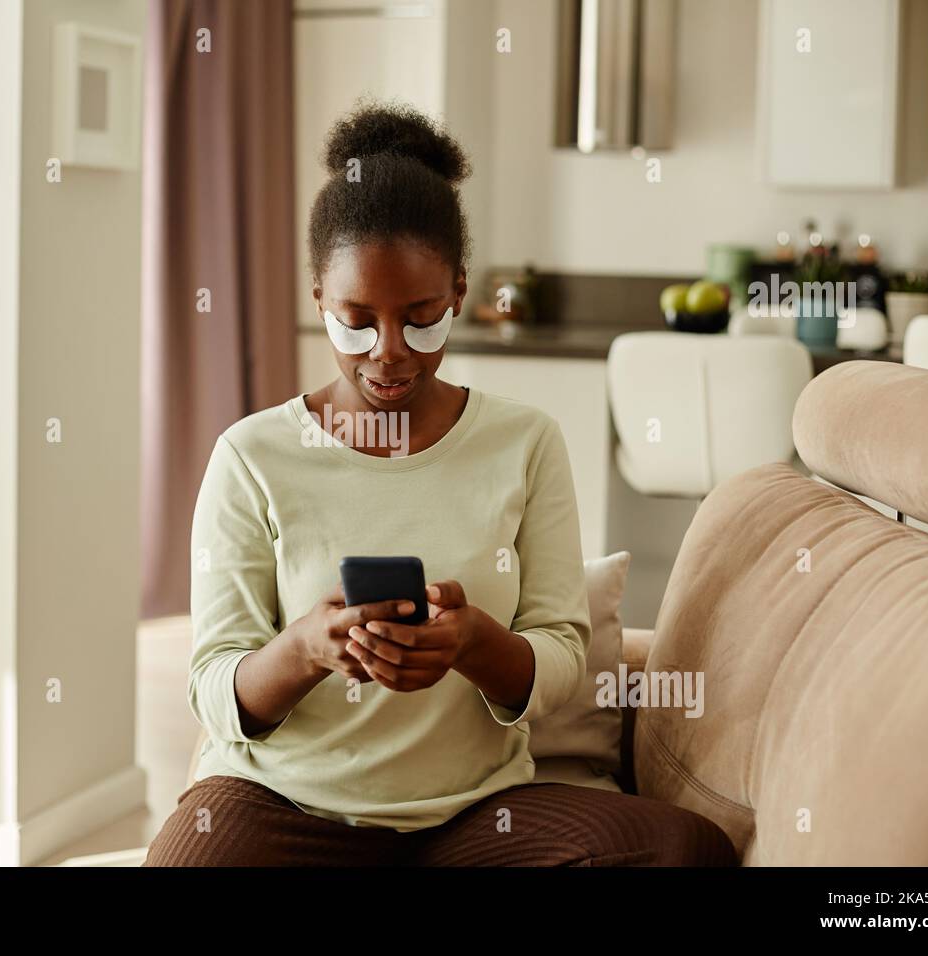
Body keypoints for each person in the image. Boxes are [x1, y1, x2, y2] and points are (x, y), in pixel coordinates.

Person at [144, 102, 736, 866]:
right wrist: (306, 649)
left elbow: (561, 655)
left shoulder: (525, 444)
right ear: (317, 298)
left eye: (420, 318)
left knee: (684, 851)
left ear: (459, 291)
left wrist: (473, 644)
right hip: (285, 804)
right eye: (357, 320)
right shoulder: (251, 456)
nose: (388, 354)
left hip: (474, 818)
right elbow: (215, 686)